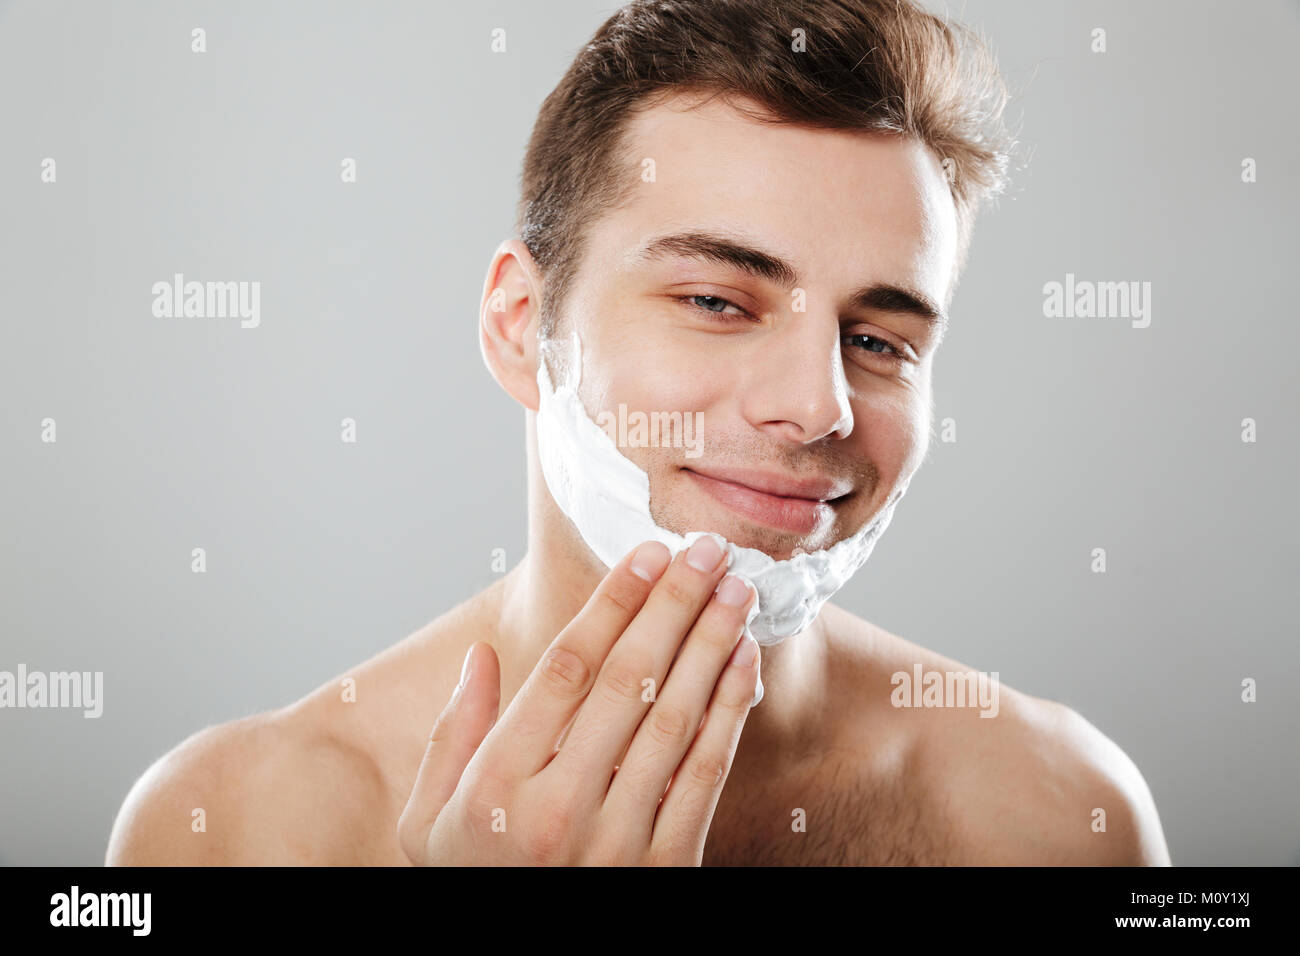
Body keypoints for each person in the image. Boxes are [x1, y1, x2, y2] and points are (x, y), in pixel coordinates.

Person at [107, 0, 1171, 866]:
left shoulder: (1061, 814)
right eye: (717, 300)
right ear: (523, 326)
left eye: (878, 338)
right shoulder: (237, 828)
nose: (816, 406)